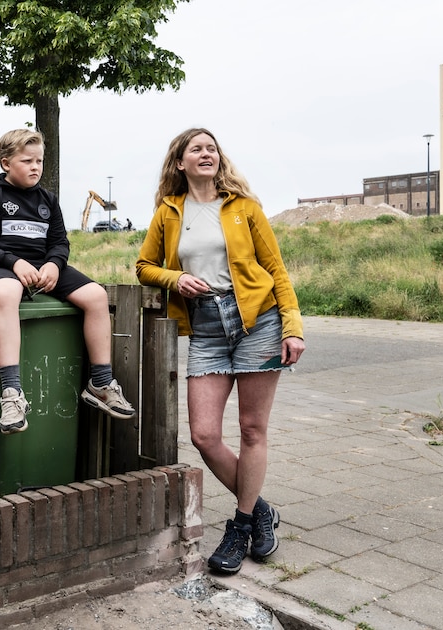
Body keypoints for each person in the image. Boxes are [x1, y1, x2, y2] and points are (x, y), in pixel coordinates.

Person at [135, 128, 305, 575]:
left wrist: (294, 327)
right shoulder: (170, 212)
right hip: (207, 326)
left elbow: (276, 270)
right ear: (180, 163)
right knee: (204, 435)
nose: (206, 153)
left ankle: (241, 525)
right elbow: (144, 266)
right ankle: (262, 509)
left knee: (252, 430)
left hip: (257, 322)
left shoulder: (244, 208)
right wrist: (176, 280)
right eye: (197, 149)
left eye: (212, 148)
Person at [0, 129, 135, 434]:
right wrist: (13, 262)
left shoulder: (48, 200)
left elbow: (60, 242)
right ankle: (12, 394)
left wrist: (55, 265)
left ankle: (100, 382)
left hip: (41, 268)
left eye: (39, 161)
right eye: (27, 160)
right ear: (6, 163)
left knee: (96, 295)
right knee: (8, 290)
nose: (35, 167)